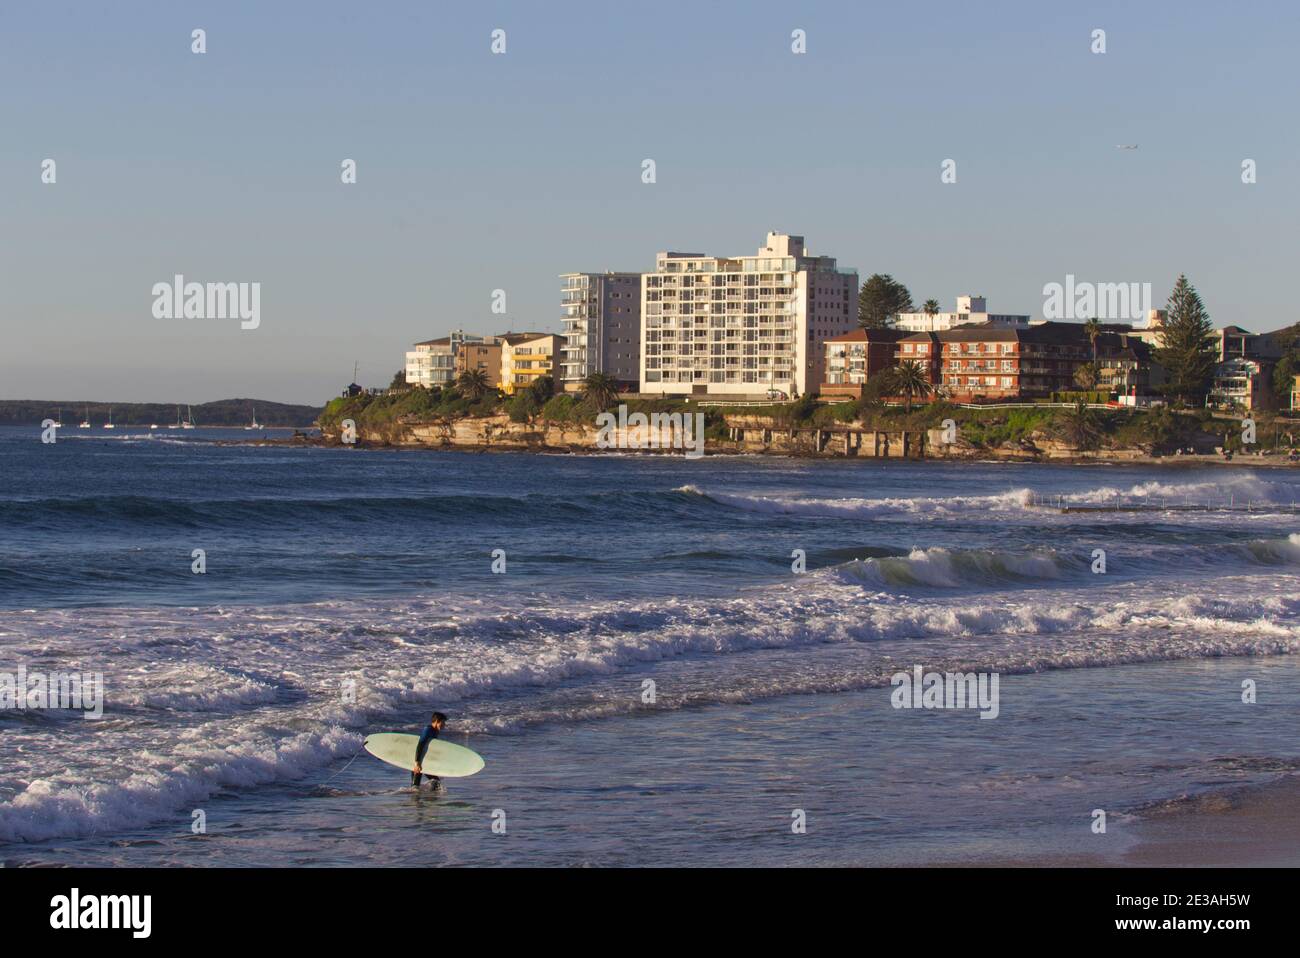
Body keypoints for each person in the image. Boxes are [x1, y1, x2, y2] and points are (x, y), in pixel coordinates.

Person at [411, 711, 447, 788]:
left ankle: (430, 798)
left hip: (425, 762)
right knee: (415, 788)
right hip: (418, 761)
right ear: (437, 721)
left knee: (436, 783)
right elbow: (420, 745)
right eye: (443, 722)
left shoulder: (435, 731)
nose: (444, 725)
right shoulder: (428, 730)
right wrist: (417, 763)